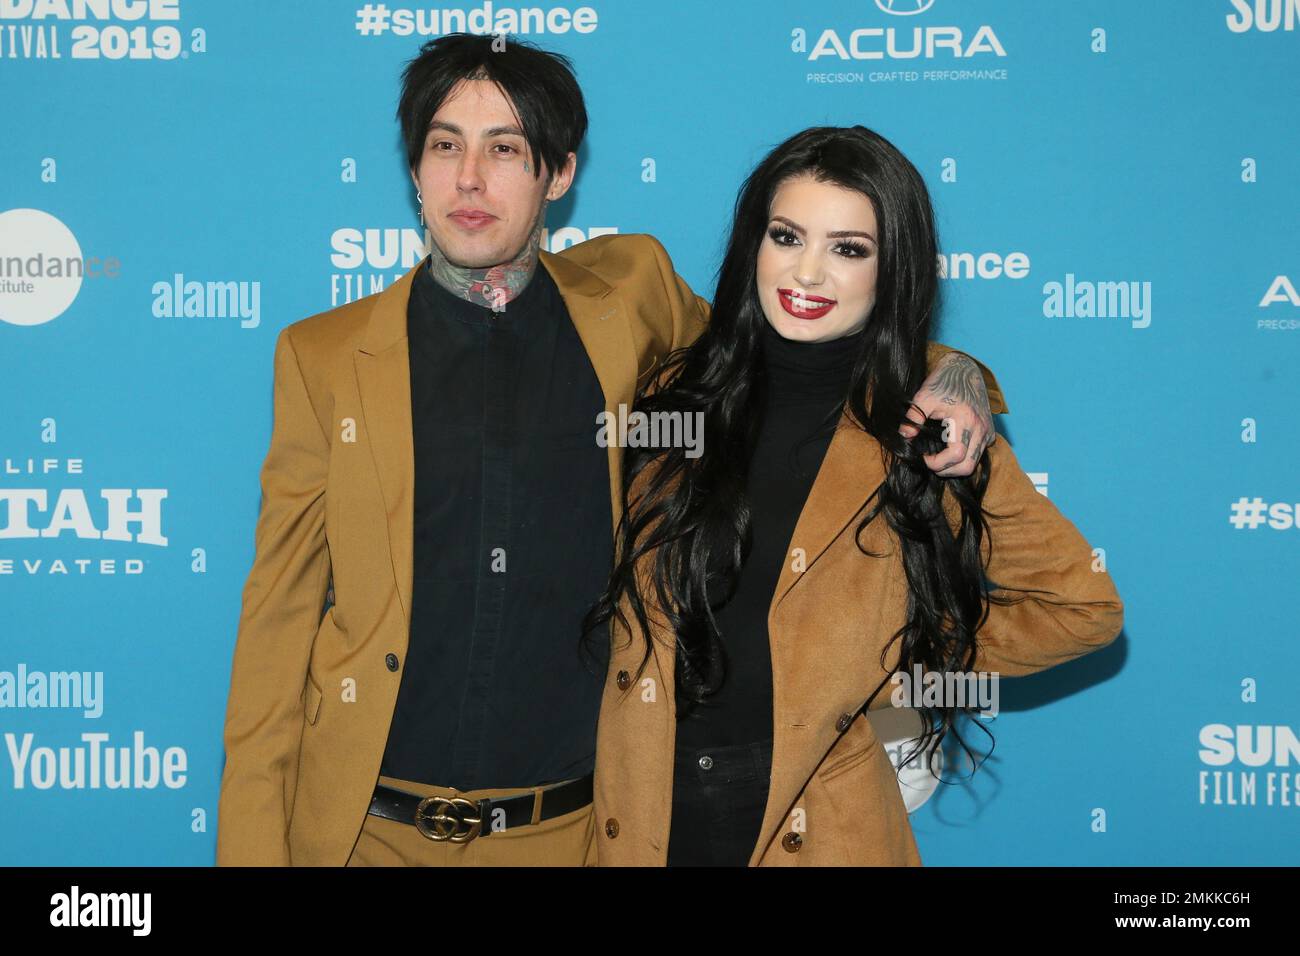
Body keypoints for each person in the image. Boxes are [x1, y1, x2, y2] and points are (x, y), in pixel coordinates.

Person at [215, 35, 1004, 867]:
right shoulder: (324, 357)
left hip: (578, 837)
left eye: (505, 149)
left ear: (559, 173)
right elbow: (277, 630)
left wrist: (955, 375)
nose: (470, 178)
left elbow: (798, 344)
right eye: (444, 145)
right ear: (414, 170)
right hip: (362, 839)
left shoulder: (630, 298)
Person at [586, 125, 1125, 866]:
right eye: (786, 236)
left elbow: (1083, 611)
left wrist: (896, 658)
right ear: (753, 245)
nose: (807, 273)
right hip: (642, 813)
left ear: (891, 269)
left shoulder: (923, 431)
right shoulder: (672, 401)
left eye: (848, 248)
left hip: (824, 828)